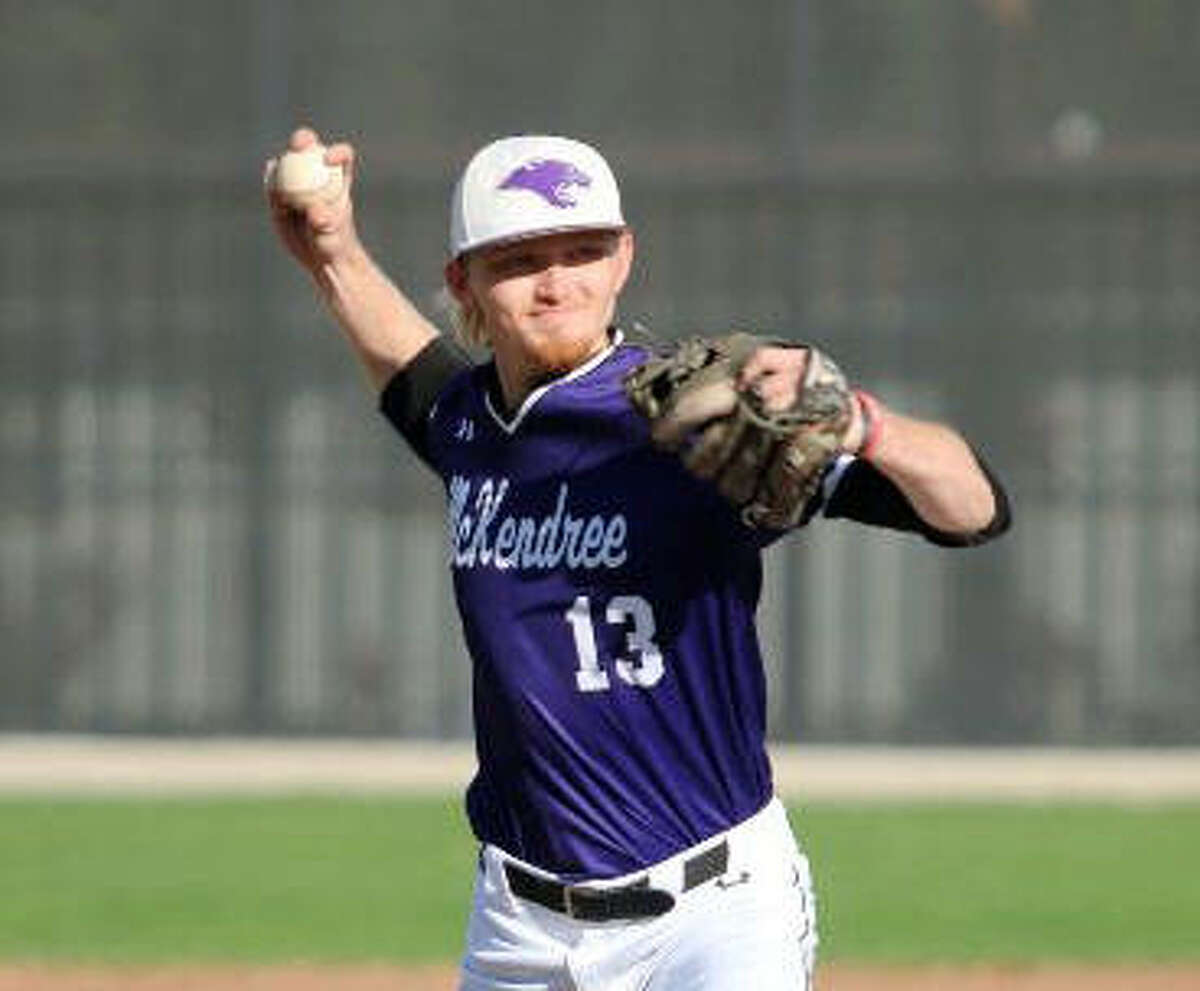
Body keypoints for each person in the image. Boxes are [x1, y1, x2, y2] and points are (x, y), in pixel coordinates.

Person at [266, 127, 1010, 990]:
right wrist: (332, 251)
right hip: (520, 924)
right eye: (520, 258)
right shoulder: (469, 424)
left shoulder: (693, 423)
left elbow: (976, 508)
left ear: (624, 258)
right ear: (462, 278)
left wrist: (863, 425)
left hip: (713, 914)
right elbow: (410, 368)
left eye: (584, 251)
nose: (557, 282)